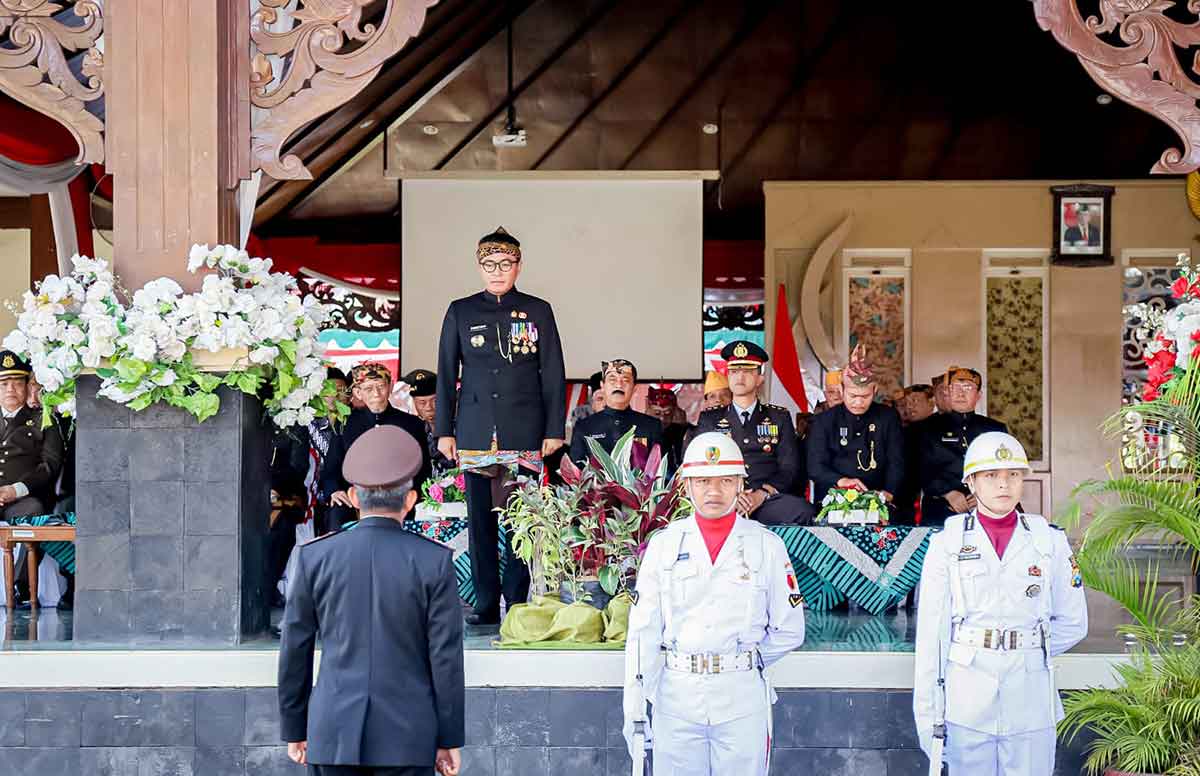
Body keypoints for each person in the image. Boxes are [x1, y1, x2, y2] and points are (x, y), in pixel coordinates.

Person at [279, 426, 464, 776]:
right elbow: (446, 659)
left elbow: (294, 650)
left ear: (353, 496)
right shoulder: (433, 560)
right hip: (408, 737)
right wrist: (449, 738)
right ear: (410, 500)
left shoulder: (314, 557)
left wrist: (295, 728)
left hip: (332, 731)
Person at [622, 431, 806, 776]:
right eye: (703, 481)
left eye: (725, 481)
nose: (714, 491)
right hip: (677, 695)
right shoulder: (665, 545)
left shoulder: (766, 545)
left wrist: (746, 661)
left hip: (741, 697)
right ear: (686, 486)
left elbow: (790, 629)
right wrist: (634, 705)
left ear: (741, 485)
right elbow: (643, 632)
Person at [913, 432, 1087, 776]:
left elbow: (1073, 622)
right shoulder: (947, 543)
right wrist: (928, 713)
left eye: (1013, 475)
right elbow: (932, 638)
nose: (1004, 484)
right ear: (971, 483)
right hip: (967, 696)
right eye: (991, 475)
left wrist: (1026, 646)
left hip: (1030, 695)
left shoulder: (1048, 540)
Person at [435, 226, 567, 628]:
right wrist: (445, 430)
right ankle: (486, 603)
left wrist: (554, 429)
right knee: (480, 522)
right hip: (475, 430)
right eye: (490, 264)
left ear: (518, 266)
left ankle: (518, 599)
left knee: (520, 520)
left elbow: (553, 373)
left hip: (523, 430)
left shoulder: (538, 310)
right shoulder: (461, 311)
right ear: (479, 267)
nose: (497, 271)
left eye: (505, 264)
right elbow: (446, 374)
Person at [694, 341, 814, 525]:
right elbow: (701, 465)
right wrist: (731, 496)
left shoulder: (778, 417)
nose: (740, 377)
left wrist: (761, 495)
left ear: (760, 378)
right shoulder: (710, 419)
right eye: (734, 371)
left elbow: (789, 469)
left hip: (766, 501)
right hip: (722, 500)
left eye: (747, 371)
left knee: (802, 511)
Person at [322, 363, 432, 529]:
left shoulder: (412, 424)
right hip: (356, 499)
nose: (376, 394)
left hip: (398, 498)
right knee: (337, 512)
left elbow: (422, 469)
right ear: (358, 392)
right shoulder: (345, 423)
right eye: (368, 389)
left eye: (381, 386)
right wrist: (334, 490)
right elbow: (332, 467)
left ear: (390, 387)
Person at [806, 345, 904, 508]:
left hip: (879, 497)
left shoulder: (888, 417)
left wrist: (889, 492)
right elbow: (815, 467)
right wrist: (842, 481)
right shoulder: (824, 421)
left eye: (865, 396)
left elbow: (896, 461)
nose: (858, 402)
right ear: (841, 389)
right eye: (853, 395)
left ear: (875, 390)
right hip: (834, 498)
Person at [913, 367, 1008, 527]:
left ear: (978, 395)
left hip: (986, 510)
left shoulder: (995, 429)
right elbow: (917, 469)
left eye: (968, 388)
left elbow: (1005, 470)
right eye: (955, 387)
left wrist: (984, 496)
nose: (960, 393)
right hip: (939, 510)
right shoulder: (925, 428)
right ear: (948, 392)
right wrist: (947, 493)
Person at [0, 352, 64, 521]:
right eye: (4, 384)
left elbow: (51, 464)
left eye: (17, 383)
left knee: (33, 508)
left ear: (27, 386)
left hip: (24, 500)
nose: (10, 389)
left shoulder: (44, 419)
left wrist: (16, 490)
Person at [569, 359, 662, 464]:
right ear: (603, 386)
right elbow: (575, 469)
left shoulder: (651, 426)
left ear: (634, 388)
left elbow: (661, 468)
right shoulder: (584, 426)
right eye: (612, 380)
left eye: (625, 380)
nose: (619, 385)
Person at [402, 369, 454, 477]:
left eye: (435, 401)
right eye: (422, 402)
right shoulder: (414, 429)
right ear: (414, 403)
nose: (429, 408)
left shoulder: (459, 427)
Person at [646, 386, 688, 475]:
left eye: (667, 413)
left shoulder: (679, 432)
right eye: (657, 413)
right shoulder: (639, 432)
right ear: (648, 411)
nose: (662, 418)